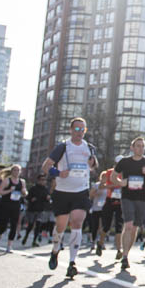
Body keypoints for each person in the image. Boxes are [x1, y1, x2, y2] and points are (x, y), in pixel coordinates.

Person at [40, 117, 98, 279]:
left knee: (77, 222)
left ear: (85, 131)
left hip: (81, 191)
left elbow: (93, 166)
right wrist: (58, 173)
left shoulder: (90, 148)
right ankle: (55, 249)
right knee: (61, 226)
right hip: (63, 192)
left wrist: (93, 164)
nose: (79, 132)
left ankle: (72, 262)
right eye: (76, 129)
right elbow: (45, 167)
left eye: (82, 129)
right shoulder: (63, 147)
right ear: (71, 130)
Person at [113, 137, 145, 272]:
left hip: (141, 199)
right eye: (138, 146)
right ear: (132, 148)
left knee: (134, 228)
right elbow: (113, 177)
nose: (140, 148)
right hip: (127, 197)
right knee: (128, 225)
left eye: (142, 146)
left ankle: (126, 251)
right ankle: (125, 257)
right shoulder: (124, 162)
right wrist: (121, 183)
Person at [0, 165, 26, 252]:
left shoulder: (22, 182)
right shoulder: (7, 180)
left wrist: (24, 192)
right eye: (14, 170)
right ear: (11, 171)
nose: (16, 172)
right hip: (5, 204)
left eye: (18, 170)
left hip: (16, 205)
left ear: (20, 172)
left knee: (14, 224)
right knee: (3, 223)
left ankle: (9, 245)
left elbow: (25, 193)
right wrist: (9, 190)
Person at [21, 173, 51, 247]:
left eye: (44, 180)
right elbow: (27, 198)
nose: (43, 181)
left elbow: (47, 199)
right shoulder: (33, 188)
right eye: (42, 180)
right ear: (38, 180)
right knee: (31, 225)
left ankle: (34, 240)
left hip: (41, 210)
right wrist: (31, 199)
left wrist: (48, 199)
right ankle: (26, 235)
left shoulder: (45, 189)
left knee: (38, 225)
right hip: (32, 209)